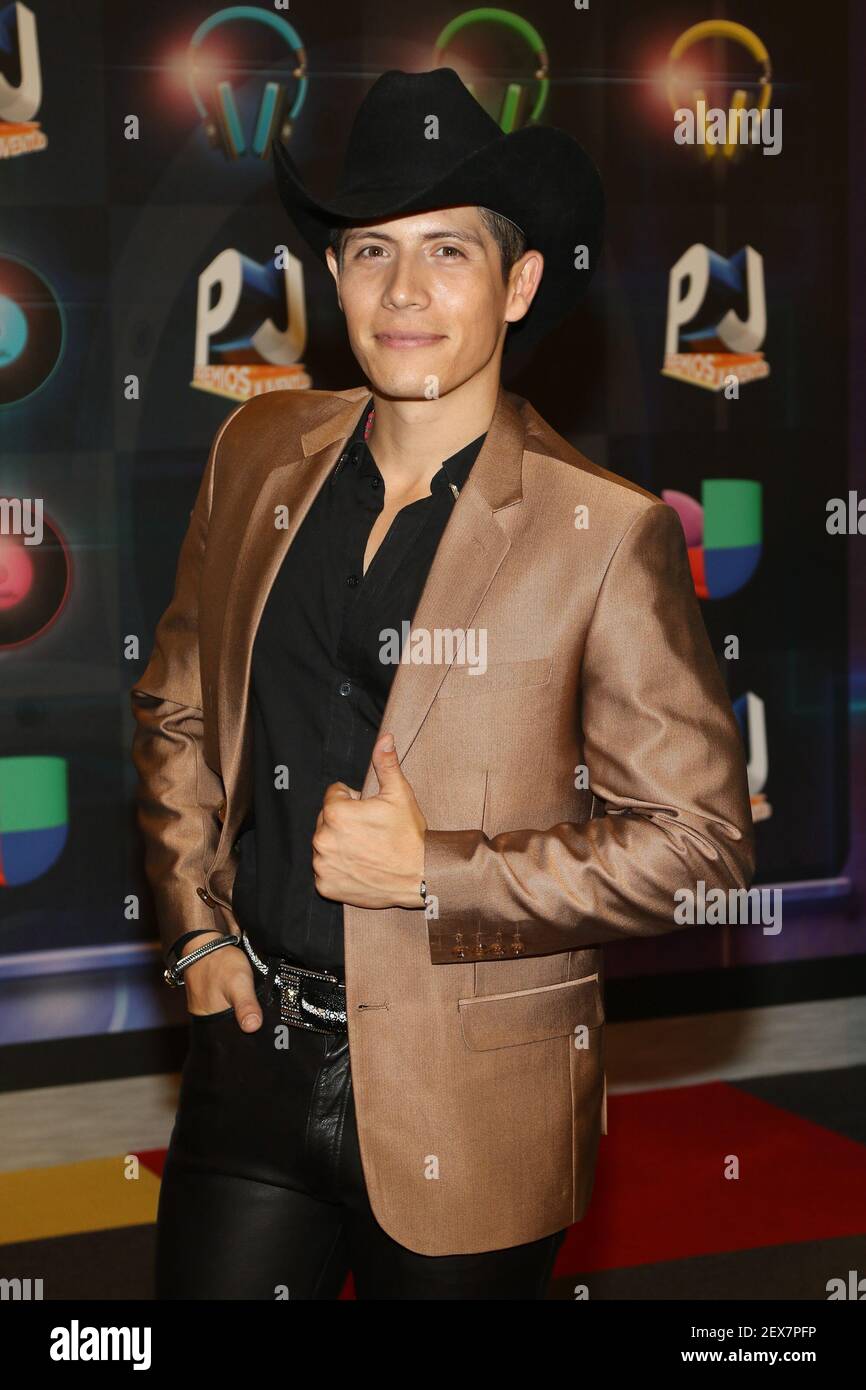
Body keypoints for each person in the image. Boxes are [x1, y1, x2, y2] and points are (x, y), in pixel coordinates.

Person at [130, 67, 755, 1300]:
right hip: (248, 1073)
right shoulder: (255, 447)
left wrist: (432, 872)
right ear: (335, 275)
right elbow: (179, 704)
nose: (404, 291)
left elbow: (701, 850)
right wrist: (193, 918)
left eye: (447, 252)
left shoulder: (603, 532)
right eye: (370, 250)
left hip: (473, 1106)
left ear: (517, 283)